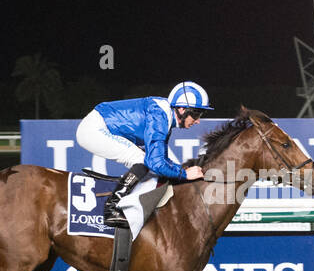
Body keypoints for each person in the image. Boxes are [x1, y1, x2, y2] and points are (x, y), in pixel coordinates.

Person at [74, 81, 212, 228]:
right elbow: (156, 163)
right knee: (141, 160)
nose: (197, 121)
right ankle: (111, 209)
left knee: (145, 160)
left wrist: (181, 171)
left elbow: (163, 160)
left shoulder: (164, 117)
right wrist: (184, 174)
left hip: (99, 125)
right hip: (94, 129)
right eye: (196, 114)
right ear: (182, 109)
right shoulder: (160, 116)